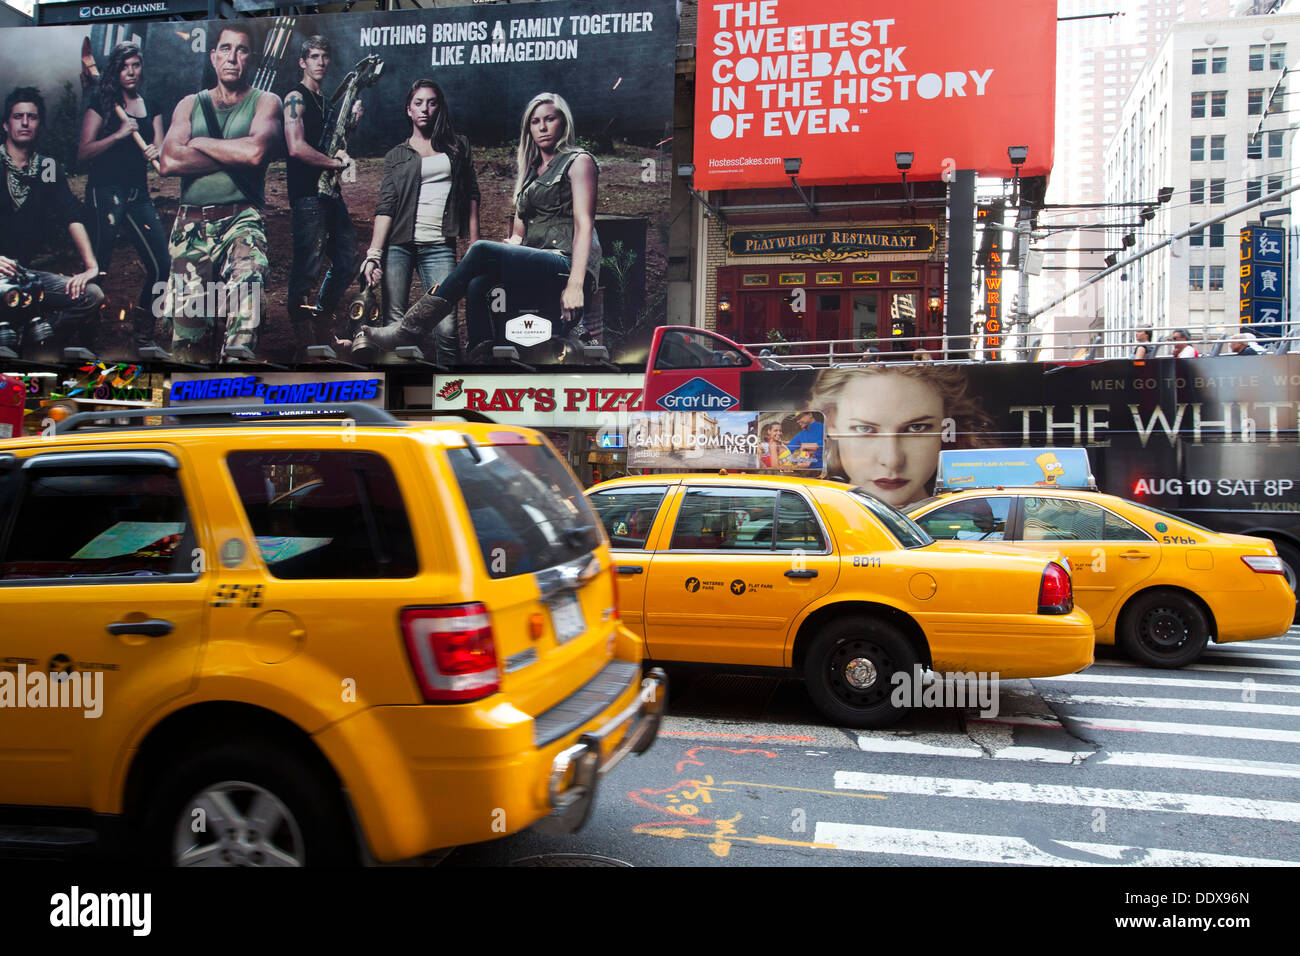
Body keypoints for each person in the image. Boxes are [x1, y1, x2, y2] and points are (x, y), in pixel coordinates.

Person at [354, 91, 600, 363]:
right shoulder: (532, 171)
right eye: (535, 121)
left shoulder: (579, 161)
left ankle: (410, 327)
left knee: (481, 250)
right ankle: (480, 356)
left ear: (563, 123)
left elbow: (584, 223)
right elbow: (519, 235)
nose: (542, 127)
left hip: (566, 264)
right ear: (528, 129)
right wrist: (511, 247)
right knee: (477, 282)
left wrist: (575, 284)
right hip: (539, 262)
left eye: (549, 119)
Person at [158, 24, 281, 363]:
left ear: (249, 59)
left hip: (241, 220)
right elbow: (168, 160)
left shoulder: (266, 101)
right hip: (190, 229)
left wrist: (198, 143)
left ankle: (234, 373)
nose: (232, 57)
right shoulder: (189, 105)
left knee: (249, 284)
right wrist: (233, 151)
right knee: (187, 344)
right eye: (225, 49)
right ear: (213, 57)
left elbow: (256, 153)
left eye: (241, 50)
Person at [358, 79, 479, 365]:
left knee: (447, 327)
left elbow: (472, 193)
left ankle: (452, 389)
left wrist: (476, 244)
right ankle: (398, 392)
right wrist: (374, 255)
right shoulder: (396, 156)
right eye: (418, 103)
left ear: (440, 107)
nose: (425, 109)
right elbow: (385, 206)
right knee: (394, 324)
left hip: (440, 246)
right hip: (399, 246)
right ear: (409, 110)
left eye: (432, 102)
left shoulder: (458, 146)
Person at [76, 42, 169, 355]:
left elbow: (161, 153)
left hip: (138, 195)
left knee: (162, 265)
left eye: (136, 65)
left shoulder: (152, 105)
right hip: (104, 191)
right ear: (116, 70)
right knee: (99, 266)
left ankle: (143, 337)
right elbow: (83, 152)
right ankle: (84, 339)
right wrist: (117, 134)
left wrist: (156, 151)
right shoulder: (102, 102)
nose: (131, 72)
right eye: (124, 66)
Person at [0, 86, 104, 356]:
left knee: (92, 296)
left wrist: (91, 266)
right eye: (18, 116)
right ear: (5, 123)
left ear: (39, 125)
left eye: (32, 117)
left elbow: (71, 215)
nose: (25, 122)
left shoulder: (47, 169)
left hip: (25, 275)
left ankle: (29, 342)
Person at [807, 365, 995, 508]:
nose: (892, 460)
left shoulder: (976, 509)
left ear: (947, 423)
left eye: (916, 427)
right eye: (864, 429)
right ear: (831, 423)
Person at [283, 35, 361, 357]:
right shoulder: (295, 98)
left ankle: (322, 324)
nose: (320, 62)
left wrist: (352, 124)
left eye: (324, 56)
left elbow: (335, 145)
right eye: (313, 56)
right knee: (307, 267)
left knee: (347, 259)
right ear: (303, 62)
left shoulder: (327, 103)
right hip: (307, 196)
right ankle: (305, 343)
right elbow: (296, 147)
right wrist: (335, 164)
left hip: (330, 193)